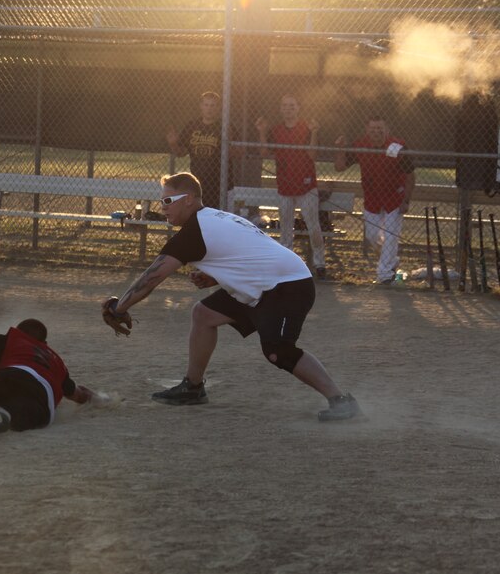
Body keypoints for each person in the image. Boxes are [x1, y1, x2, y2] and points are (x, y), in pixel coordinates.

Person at [100, 172, 360, 422]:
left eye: (168, 200)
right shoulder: (213, 217)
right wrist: (215, 278)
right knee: (204, 314)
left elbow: (152, 277)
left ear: (188, 199)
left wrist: (119, 307)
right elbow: (247, 253)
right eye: (161, 201)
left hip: (287, 286)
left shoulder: (196, 230)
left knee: (278, 351)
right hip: (270, 281)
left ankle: (341, 400)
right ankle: (193, 387)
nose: (163, 207)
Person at [335, 115, 415, 284]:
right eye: (373, 129)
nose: (376, 132)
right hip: (372, 198)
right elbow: (339, 167)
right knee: (372, 236)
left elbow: (410, 175)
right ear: (367, 130)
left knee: (391, 236)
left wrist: (406, 200)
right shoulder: (360, 145)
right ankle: (391, 260)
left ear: (387, 130)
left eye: (380, 128)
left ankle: (384, 275)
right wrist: (341, 148)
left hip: (394, 198)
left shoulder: (396, 146)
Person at [254, 94, 327, 280]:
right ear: (280, 109)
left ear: (298, 108)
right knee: (286, 229)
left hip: (306, 186)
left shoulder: (306, 128)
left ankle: (319, 263)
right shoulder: (276, 130)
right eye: (285, 105)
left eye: (292, 105)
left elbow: (312, 155)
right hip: (285, 186)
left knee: (313, 226)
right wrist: (262, 131)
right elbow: (264, 152)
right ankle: (287, 265)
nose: (288, 109)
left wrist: (315, 132)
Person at [166, 91, 240, 209]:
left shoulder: (226, 126)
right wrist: (173, 144)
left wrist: (229, 143)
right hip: (197, 184)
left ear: (218, 108)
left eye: (213, 105)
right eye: (206, 105)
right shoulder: (192, 126)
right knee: (198, 216)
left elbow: (238, 154)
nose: (209, 109)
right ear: (201, 106)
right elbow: (181, 153)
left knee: (220, 217)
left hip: (220, 184)